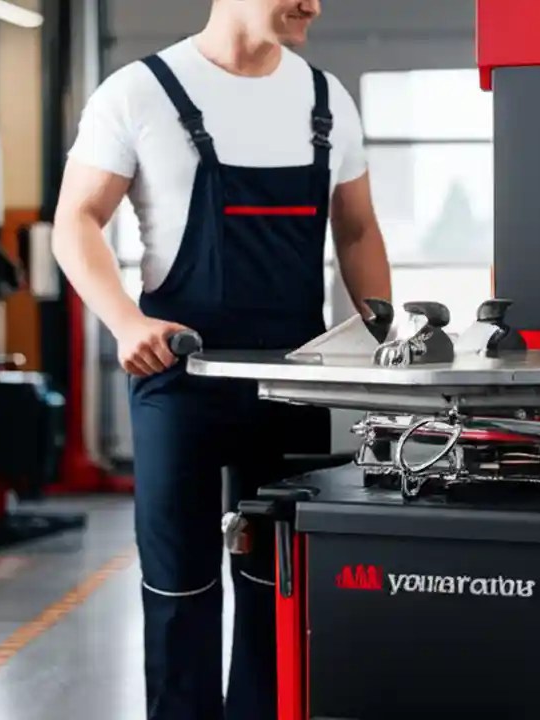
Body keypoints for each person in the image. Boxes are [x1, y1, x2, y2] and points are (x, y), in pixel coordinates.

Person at [51, 0, 391, 717]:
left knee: (280, 586)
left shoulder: (326, 98)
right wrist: (125, 321)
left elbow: (357, 230)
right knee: (180, 586)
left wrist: (387, 337)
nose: (314, 5)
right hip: (179, 380)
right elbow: (75, 220)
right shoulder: (140, 91)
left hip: (294, 386)